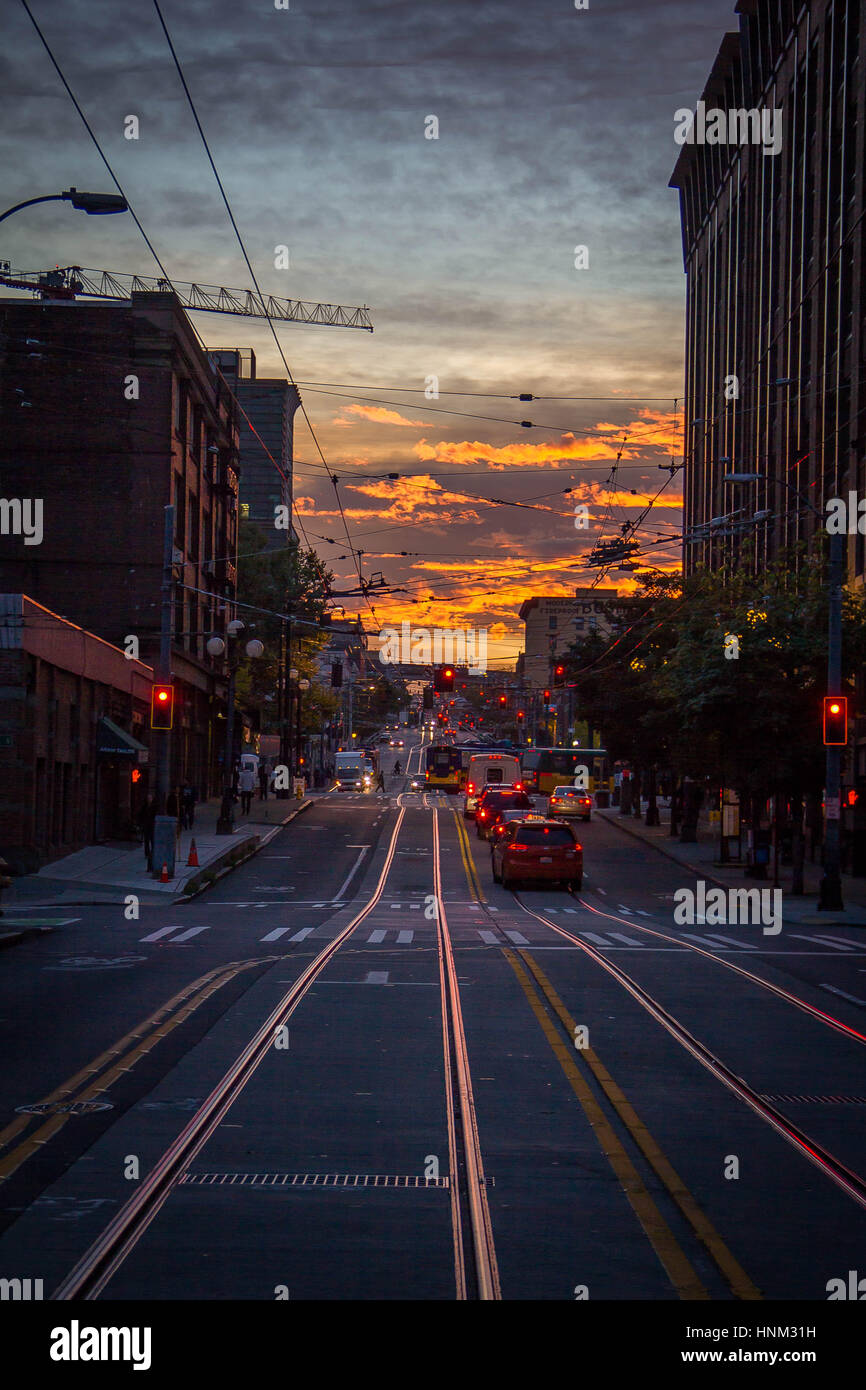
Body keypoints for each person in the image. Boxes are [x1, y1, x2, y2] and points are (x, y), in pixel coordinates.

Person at [139, 797, 156, 870]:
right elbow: (141, 815)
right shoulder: (144, 806)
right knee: (146, 840)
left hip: (152, 825)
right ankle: (147, 853)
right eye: (148, 798)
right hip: (146, 825)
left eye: (150, 798)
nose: (149, 799)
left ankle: (153, 852)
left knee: (152, 839)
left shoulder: (154, 807)